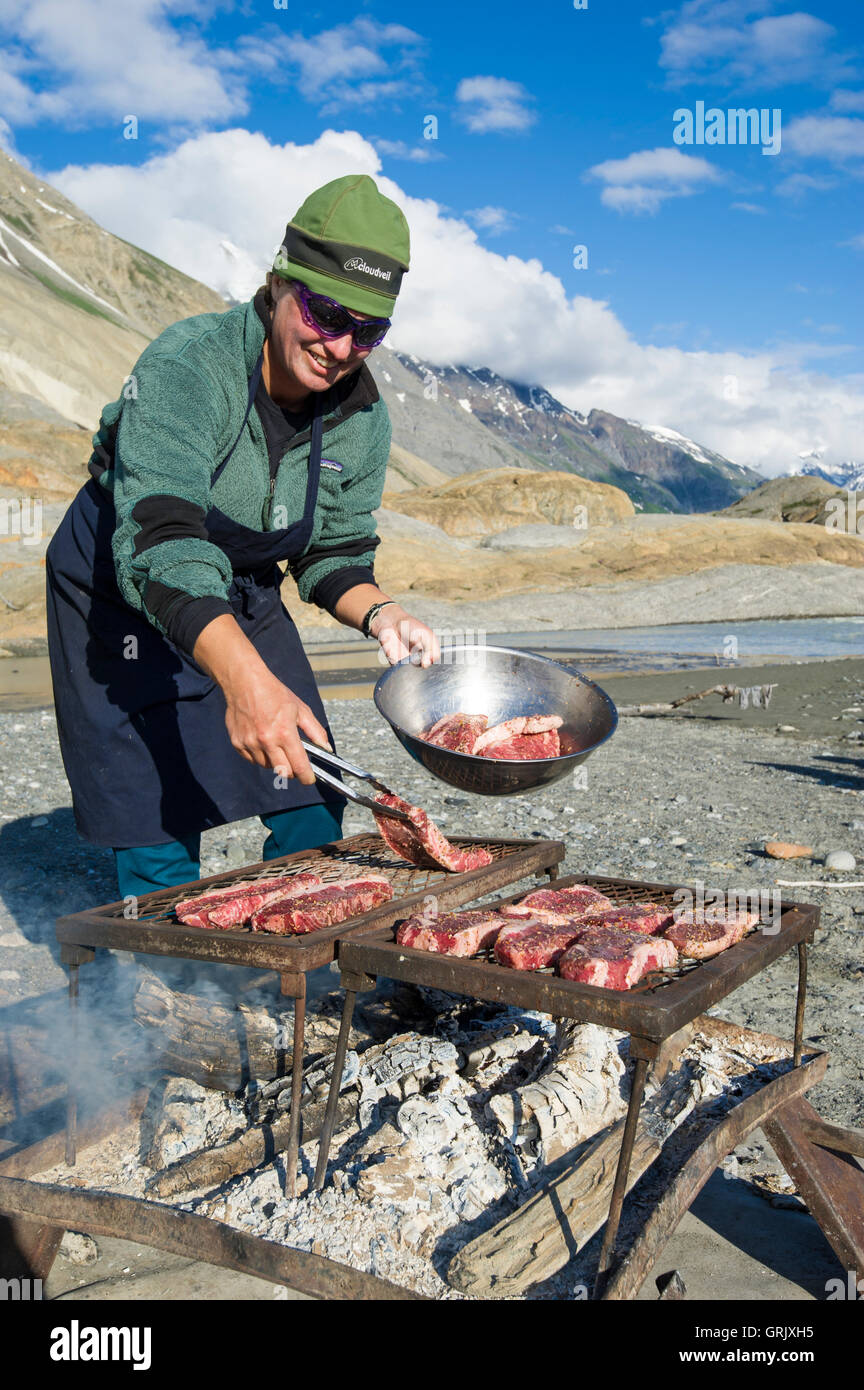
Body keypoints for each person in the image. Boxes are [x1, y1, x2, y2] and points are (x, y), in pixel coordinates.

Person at [46, 174, 439, 900]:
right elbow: (162, 541)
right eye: (326, 313)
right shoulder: (189, 368)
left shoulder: (361, 416)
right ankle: (163, 986)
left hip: (242, 588)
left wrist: (382, 613)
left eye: (370, 331)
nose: (341, 346)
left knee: (313, 801)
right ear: (280, 282)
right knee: (157, 813)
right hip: (125, 588)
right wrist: (246, 682)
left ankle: (300, 979)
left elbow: (331, 554)